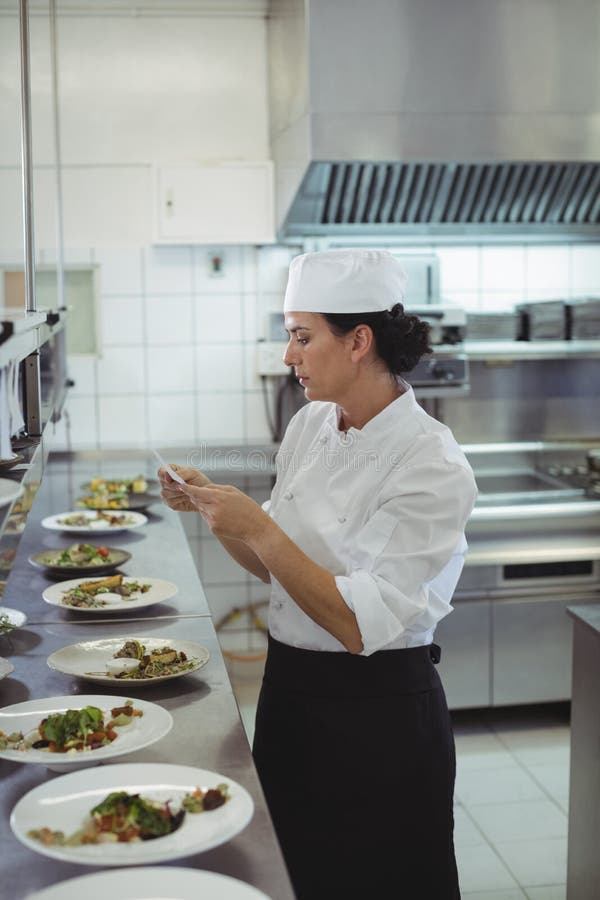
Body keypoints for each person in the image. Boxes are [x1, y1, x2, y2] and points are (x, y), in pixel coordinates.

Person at [158, 248, 477, 900]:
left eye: (302, 337)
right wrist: (221, 513)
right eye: (289, 337)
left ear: (359, 340)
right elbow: (277, 567)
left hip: (379, 717)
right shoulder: (310, 425)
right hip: (292, 697)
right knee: (296, 877)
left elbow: (358, 625)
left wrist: (258, 526)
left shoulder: (429, 462)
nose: (288, 355)